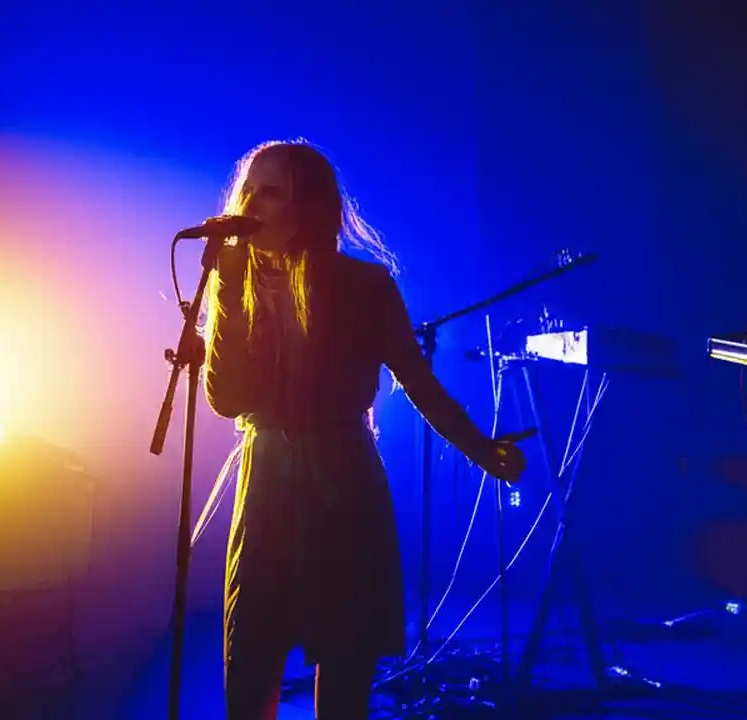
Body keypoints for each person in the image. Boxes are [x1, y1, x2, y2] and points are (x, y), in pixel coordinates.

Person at [201, 139, 527, 720]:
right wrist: (226, 289)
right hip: (267, 482)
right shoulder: (238, 281)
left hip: (341, 481)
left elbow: (420, 384)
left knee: (345, 660)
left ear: (307, 207)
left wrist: (482, 448)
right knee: (250, 654)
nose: (251, 203)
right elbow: (226, 399)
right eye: (248, 189)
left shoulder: (364, 285)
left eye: (270, 192)